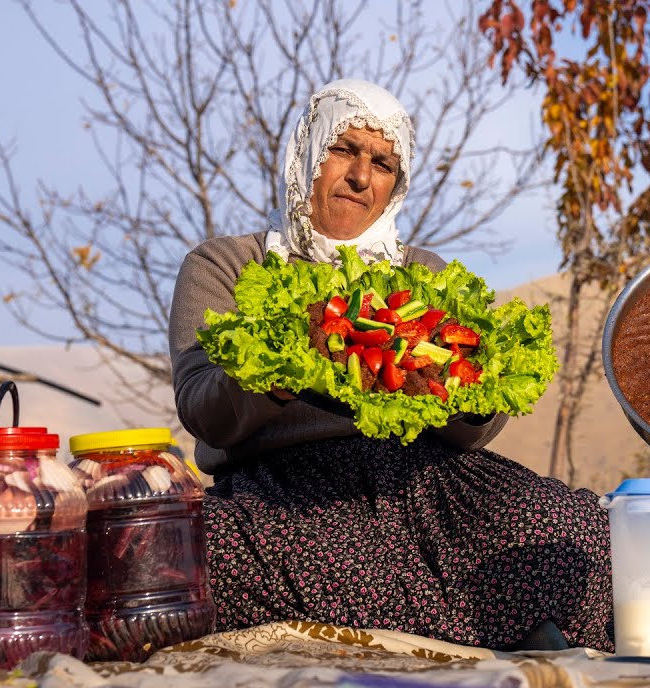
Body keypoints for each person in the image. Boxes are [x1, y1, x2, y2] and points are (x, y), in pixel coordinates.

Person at [169, 79, 612, 652]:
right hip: (284, 493)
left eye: (382, 163)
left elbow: (473, 430)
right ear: (307, 152)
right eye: (343, 149)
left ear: (395, 184)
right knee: (201, 554)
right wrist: (282, 370)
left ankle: (474, 626)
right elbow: (203, 408)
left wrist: (459, 386)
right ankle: (493, 627)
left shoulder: (422, 271)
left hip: (426, 485)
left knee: (567, 526)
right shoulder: (226, 263)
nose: (360, 176)